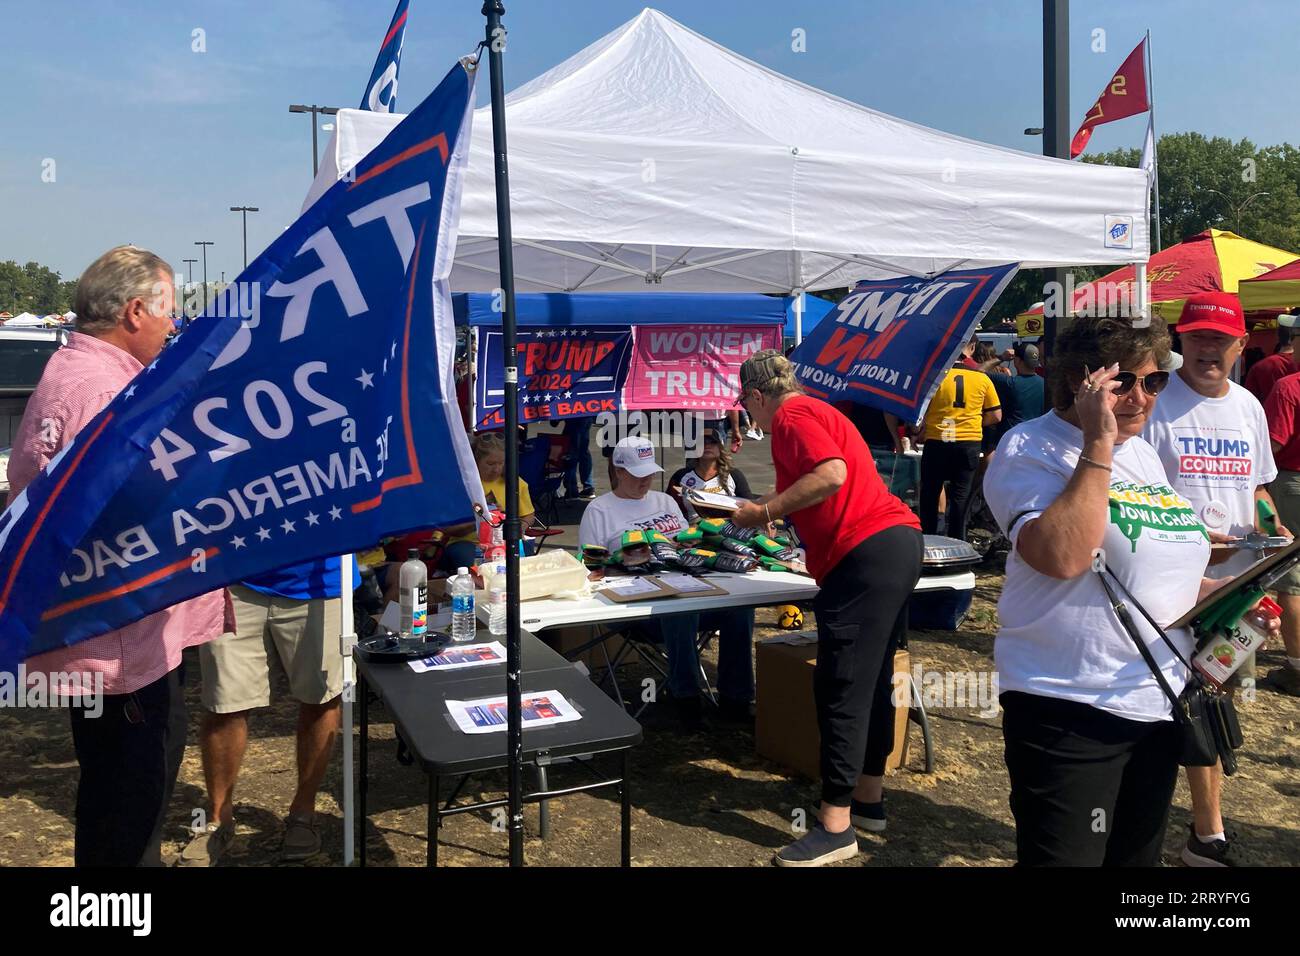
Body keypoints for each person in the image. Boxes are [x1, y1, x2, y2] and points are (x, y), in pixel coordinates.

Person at [5, 246, 227, 866]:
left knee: (126, 787)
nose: (175, 324)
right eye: (170, 312)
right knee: (128, 797)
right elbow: (129, 508)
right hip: (118, 640)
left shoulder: (79, 374)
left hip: (115, 631)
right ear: (135, 311)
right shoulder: (104, 390)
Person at [984, 314, 1227, 866]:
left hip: (1157, 699)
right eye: (1124, 382)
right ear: (1079, 381)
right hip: (1069, 699)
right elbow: (1063, 556)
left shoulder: (1141, 455)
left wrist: (1226, 591)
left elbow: (1158, 568)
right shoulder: (1030, 447)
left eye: (1155, 381)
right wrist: (1099, 440)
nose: (1142, 398)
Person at [730, 350, 922, 867]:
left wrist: (765, 510)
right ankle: (867, 799)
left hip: (864, 551)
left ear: (755, 396)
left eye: (746, 406)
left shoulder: (791, 415)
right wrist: (774, 504)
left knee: (842, 686)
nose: (751, 419)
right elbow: (827, 480)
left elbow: (831, 474)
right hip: (892, 543)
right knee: (871, 678)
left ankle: (835, 827)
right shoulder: (820, 409)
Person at [1142, 291, 1285, 867]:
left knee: (1213, 694)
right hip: (1165, 580)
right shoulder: (1155, 404)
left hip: (1236, 586)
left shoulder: (1249, 407)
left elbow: (1258, 491)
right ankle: (1178, 826)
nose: (1208, 349)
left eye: (1220, 340)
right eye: (1198, 337)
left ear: (1240, 345)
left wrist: (1274, 554)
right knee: (1158, 697)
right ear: (1180, 340)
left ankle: (1205, 833)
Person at [184, 554, 359, 865]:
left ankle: (303, 813)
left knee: (322, 699)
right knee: (224, 703)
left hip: (321, 580)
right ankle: (217, 819)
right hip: (231, 577)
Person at [579, 435, 754, 730]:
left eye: (649, 472)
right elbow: (590, 568)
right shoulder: (600, 510)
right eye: (637, 474)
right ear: (620, 472)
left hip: (686, 583)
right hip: (638, 603)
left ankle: (736, 699)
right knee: (680, 610)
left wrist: (696, 539)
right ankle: (686, 698)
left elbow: (688, 544)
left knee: (739, 608)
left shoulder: (664, 501)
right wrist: (622, 559)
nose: (645, 480)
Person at [917, 358, 1001, 539]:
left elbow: (919, 411)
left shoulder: (935, 377)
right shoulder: (982, 379)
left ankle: (928, 540)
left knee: (930, 493)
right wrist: (975, 422)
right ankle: (958, 541)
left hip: (938, 439)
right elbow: (996, 415)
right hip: (968, 441)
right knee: (961, 496)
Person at [438, 431, 536, 571]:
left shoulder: (515, 483)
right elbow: (448, 529)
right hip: (468, 542)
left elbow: (528, 514)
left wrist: (522, 526)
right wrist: (481, 519)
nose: (496, 469)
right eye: (490, 463)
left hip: (504, 541)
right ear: (475, 461)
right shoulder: (462, 485)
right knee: (479, 568)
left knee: (526, 564)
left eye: (501, 463)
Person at [1261, 369, 1300, 698]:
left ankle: (1297, 668)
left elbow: (1273, 442)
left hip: (1292, 483)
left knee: (1291, 577)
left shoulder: (1289, 387)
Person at [667, 425, 753, 519]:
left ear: (720, 447)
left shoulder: (734, 475)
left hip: (727, 530)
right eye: (702, 442)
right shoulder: (680, 476)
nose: (707, 445)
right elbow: (667, 507)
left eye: (712, 442)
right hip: (692, 530)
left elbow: (750, 506)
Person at [1244, 322, 1296, 404]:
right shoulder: (1295, 362)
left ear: (1277, 336)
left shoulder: (1259, 367)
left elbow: (1248, 402)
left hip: (1268, 414)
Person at [561, 415, 596, 500]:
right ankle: (588, 487)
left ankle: (572, 490)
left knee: (571, 452)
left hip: (573, 415)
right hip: (585, 413)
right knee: (583, 451)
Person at [1009, 343, 1046, 425]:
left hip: (1015, 434)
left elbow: (979, 370)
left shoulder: (1009, 383)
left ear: (1017, 360)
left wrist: (1001, 358)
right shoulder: (1045, 384)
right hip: (1039, 432)